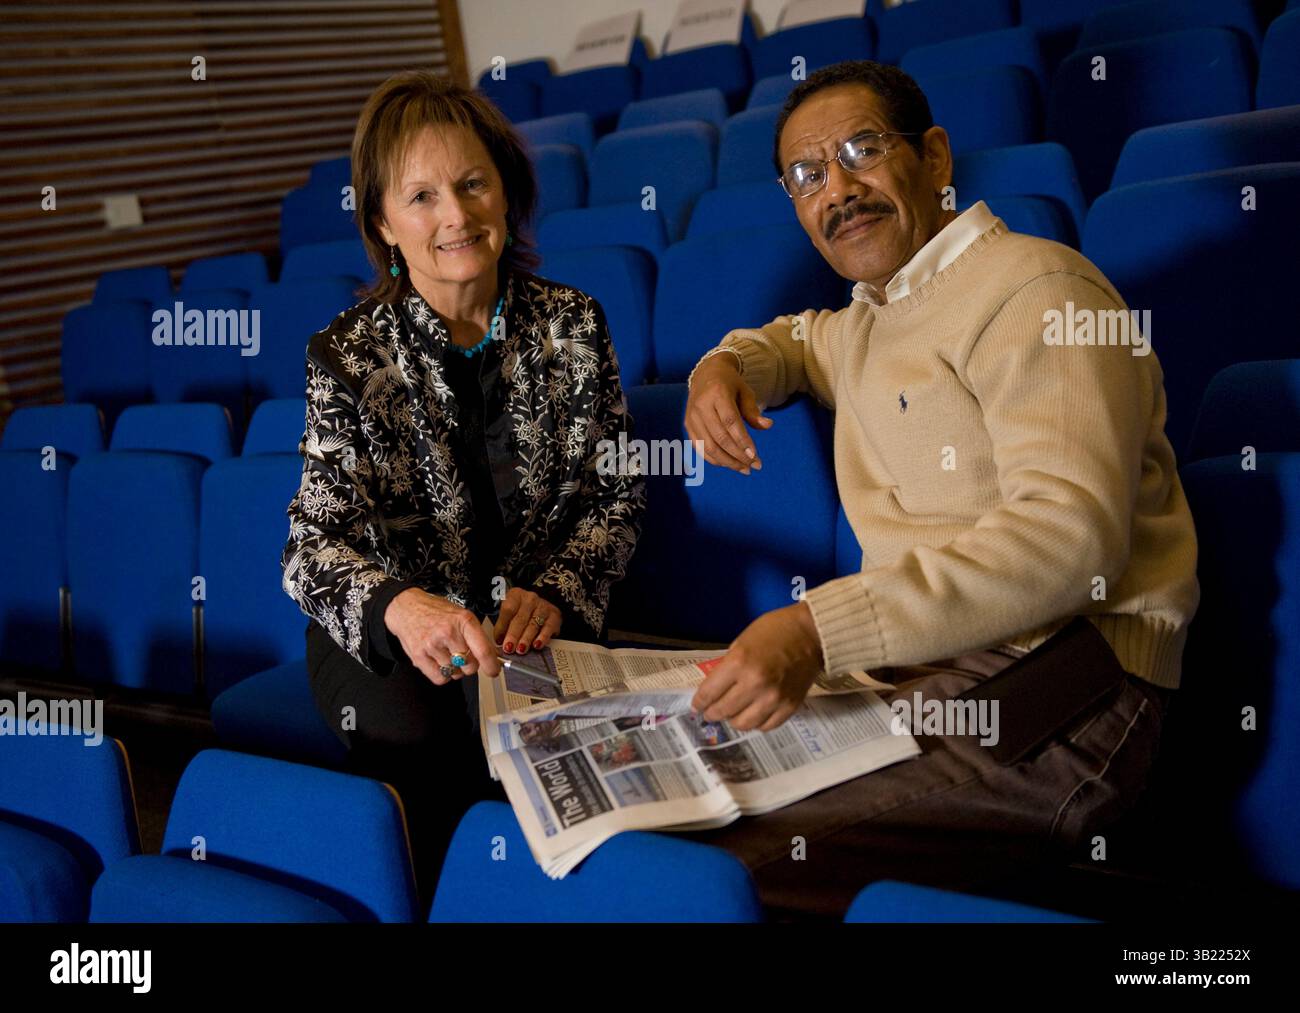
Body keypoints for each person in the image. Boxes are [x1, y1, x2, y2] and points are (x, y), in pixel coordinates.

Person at [681, 61, 1199, 918]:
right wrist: (723, 366)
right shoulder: (872, 317)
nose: (838, 189)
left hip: (1072, 675)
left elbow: (1070, 541)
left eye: (861, 150)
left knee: (741, 870)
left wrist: (818, 628)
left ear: (934, 157)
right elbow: (796, 342)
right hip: (930, 669)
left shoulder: (1037, 289)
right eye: (808, 177)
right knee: (691, 816)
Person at [281, 70, 646, 906]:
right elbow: (311, 545)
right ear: (383, 222)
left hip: (534, 619)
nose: (455, 214)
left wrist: (557, 588)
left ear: (505, 192)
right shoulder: (346, 355)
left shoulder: (574, 324)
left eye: (473, 182)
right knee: (426, 730)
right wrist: (403, 607)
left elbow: (616, 495)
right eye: (421, 195)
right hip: (388, 629)